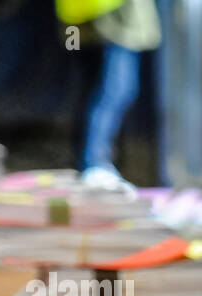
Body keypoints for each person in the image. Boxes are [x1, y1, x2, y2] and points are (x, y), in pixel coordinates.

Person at [56, 0, 161, 189]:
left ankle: (88, 167)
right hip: (113, 15)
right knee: (116, 91)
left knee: (91, 91)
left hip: (81, 14)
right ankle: (95, 166)